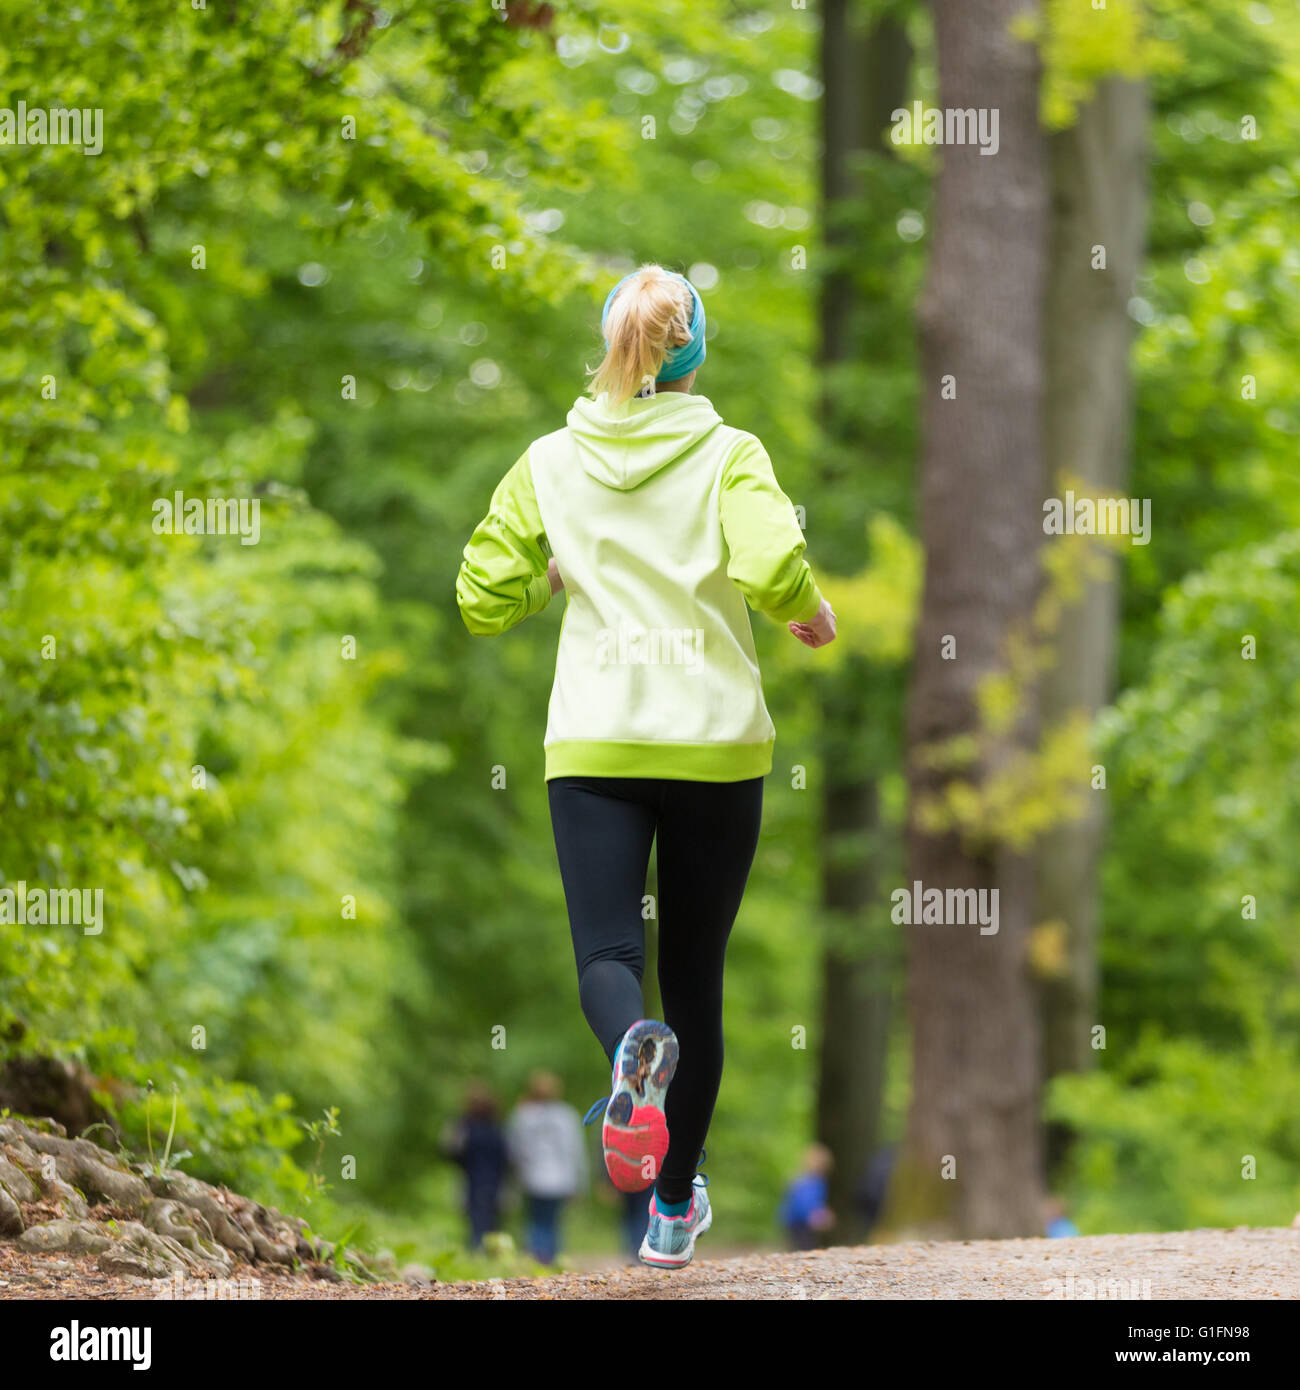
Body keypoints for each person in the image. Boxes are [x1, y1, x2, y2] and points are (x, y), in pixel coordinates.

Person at [457, 263, 836, 1269]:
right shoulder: (730, 451)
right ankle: (672, 1212)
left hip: (596, 743)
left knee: (607, 958)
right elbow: (769, 563)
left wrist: (549, 575)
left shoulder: (547, 460)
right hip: (715, 746)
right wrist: (806, 607)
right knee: (696, 980)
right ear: (694, 353)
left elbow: (480, 595)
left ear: (611, 345)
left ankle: (631, 1048)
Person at [506, 1071, 587, 1265]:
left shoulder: (522, 1115)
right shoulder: (567, 1115)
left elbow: (514, 1150)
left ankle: (537, 1260)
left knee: (536, 1221)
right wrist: (580, 1181)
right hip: (560, 1178)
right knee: (553, 1221)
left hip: (532, 1177)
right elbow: (574, 1150)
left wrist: (514, 1179)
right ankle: (553, 1260)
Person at [440, 1081, 508, 1250]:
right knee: (491, 1221)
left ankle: (477, 1252)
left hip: (472, 1179)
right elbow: (506, 1156)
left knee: (476, 1221)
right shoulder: (496, 1127)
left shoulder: (463, 1126)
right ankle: (489, 1254)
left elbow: (450, 1152)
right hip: (492, 1180)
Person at [779, 1143, 836, 1250]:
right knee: (805, 1246)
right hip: (799, 1222)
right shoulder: (812, 1182)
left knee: (800, 1245)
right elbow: (806, 1203)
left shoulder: (801, 1179)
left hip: (793, 1221)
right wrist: (817, 1216)